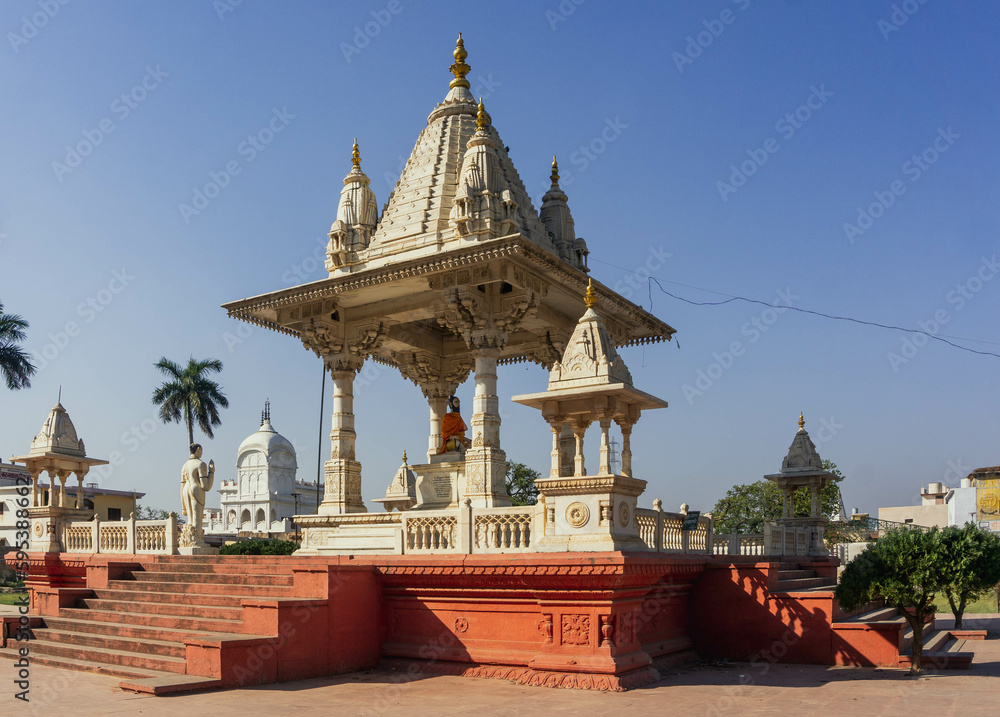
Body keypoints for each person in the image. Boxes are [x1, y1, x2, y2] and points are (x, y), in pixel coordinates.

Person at [180, 443, 215, 538]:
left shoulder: (184, 466)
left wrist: (183, 507)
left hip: (185, 490)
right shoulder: (200, 464)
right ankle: (197, 539)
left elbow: (181, 486)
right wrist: (211, 472)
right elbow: (205, 486)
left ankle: (189, 538)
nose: (202, 453)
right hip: (196, 489)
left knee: (190, 518)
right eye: (201, 450)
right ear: (198, 449)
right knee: (197, 518)